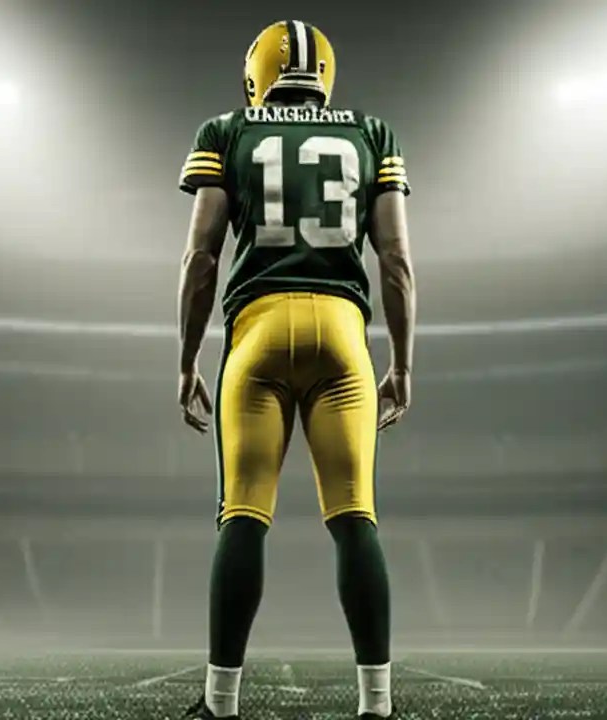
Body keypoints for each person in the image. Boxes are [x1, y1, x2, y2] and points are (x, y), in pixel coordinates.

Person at [175, 19, 416, 720]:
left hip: (255, 332)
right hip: (343, 337)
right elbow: (396, 263)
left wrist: (187, 360)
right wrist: (401, 363)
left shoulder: (226, 131)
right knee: (355, 517)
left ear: (259, 75)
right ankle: (377, 705)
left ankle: (221, 705)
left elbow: (200, 260)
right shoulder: (374, 134)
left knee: (242, 514)